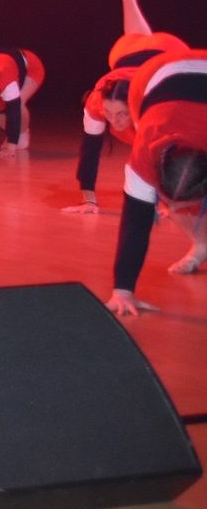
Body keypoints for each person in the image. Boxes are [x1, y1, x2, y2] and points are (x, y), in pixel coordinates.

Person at [67, 0, 187, 213]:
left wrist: (167, 199)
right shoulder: (97, 104)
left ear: (134, 105)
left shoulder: (156, 104)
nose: (114, 120)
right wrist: (88, 199)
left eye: (121, 114)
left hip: (168, 52)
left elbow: (165, 154)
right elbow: (90, 150)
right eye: (110, 114)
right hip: (126, 52)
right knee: (138, 39)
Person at [103, 47, 207, 319]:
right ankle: (202, 244)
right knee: (156, 204)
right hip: (155, 76)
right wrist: (122, 290)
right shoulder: (146, 152)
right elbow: (134, 222)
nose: (170, 209)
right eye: (167, 200)